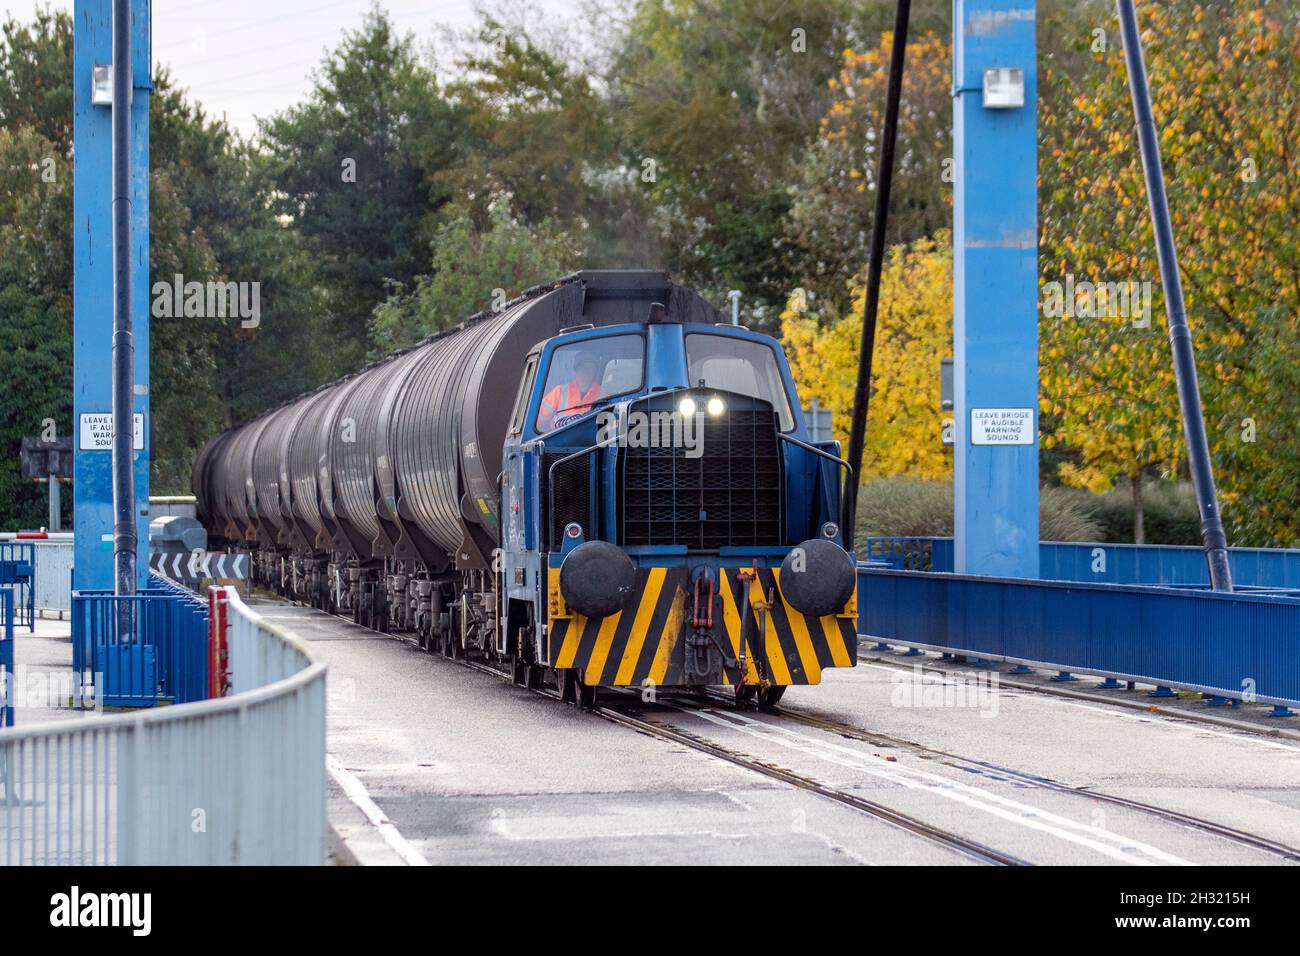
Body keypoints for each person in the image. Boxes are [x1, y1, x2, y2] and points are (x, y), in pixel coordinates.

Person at [537, 351, 603, 431]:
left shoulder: (603, 394)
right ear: (576, 370)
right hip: (561, 439)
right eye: (583, 368)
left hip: (591, 441)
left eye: (590, 368)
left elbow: (610, 421)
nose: (586, 372)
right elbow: (538, 417)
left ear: (595, 372)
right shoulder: (560, 392)